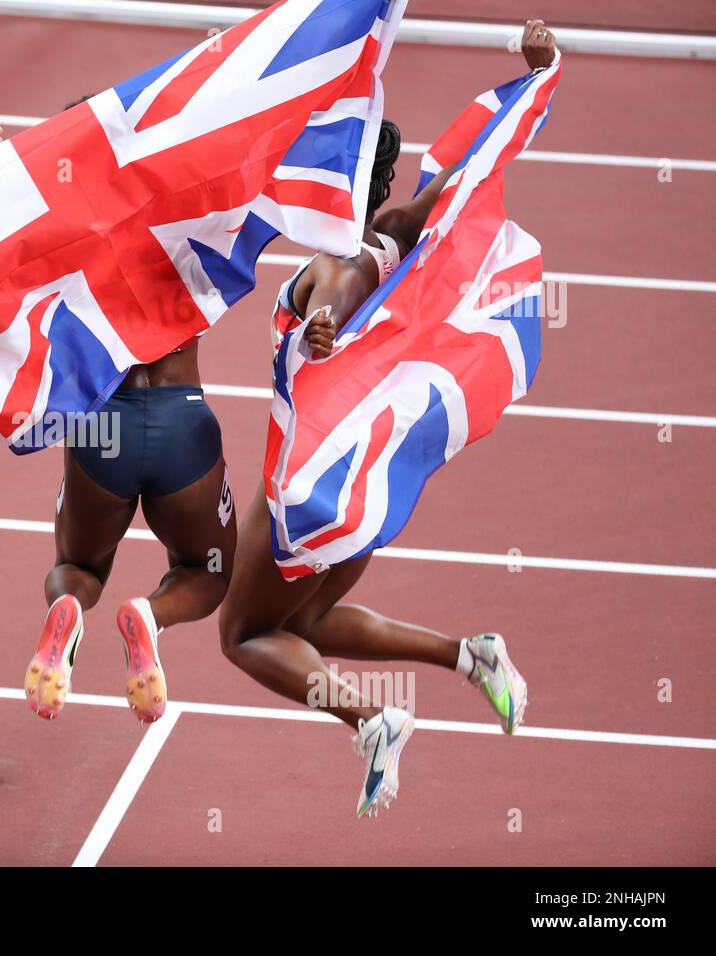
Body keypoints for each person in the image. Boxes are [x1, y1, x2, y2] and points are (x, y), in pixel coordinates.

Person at [217, 21, 556, 817]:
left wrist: (322, 327)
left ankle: (372, 719)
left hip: (307, 487)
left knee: (243, 635)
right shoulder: (394, 232)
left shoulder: (332, 266)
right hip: (367, 491)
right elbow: (461, 179)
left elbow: (330, 301)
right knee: (312, 623)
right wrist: (532, 80)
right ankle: (469, 655)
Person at [24, 94, 236, 723]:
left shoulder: (59, 226)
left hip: (101, 422)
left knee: (77, 564)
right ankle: (150, 614)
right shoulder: (184, 214)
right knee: (207, 570)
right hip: (182, 422)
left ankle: (68, 613)